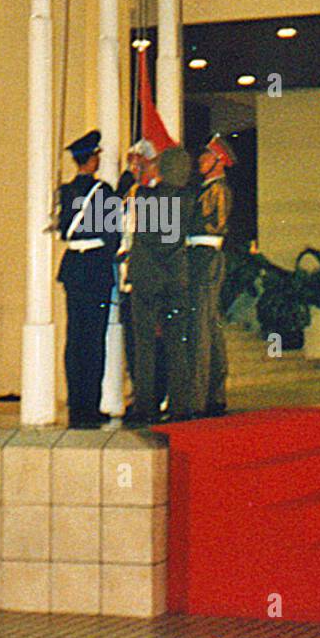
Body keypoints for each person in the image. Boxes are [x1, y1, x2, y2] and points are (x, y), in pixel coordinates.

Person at [125, 146, 194, 424]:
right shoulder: (188, 199)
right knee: (176, 344)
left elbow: (133, 190)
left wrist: (140, 169)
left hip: (146, 280)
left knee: (144, 345)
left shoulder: (144, 196)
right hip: (175, 278)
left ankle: (145, 405)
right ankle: (179, 405)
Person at [55, 130, 118, 427]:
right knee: (93, 341)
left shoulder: (66, 192)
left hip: (73, 269)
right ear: (91, 159)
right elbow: (112, 235)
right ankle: (89, 406)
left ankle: (75, 405)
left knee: (74, 339)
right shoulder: (103, 192)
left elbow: (63, 229)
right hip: (95, 269)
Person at [187, 133, 235, 418]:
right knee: (209, 326)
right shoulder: (207, 188)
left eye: (207, 156)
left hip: (204, 257)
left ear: (219, 161)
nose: (201, 161)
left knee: (201, 329)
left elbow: (206, 224)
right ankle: (213, 393)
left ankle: (199, 397)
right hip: (203, 256)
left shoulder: (216, 190)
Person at [115, 139, 157, 383]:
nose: (134, 167)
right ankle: (139, 386)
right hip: (128, 273)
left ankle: (156, 391)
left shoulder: (156, 194)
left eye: (138, 162)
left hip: (150, 274)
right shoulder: (127, 192)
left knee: (152, 337)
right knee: (132, 336)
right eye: (131, 162)